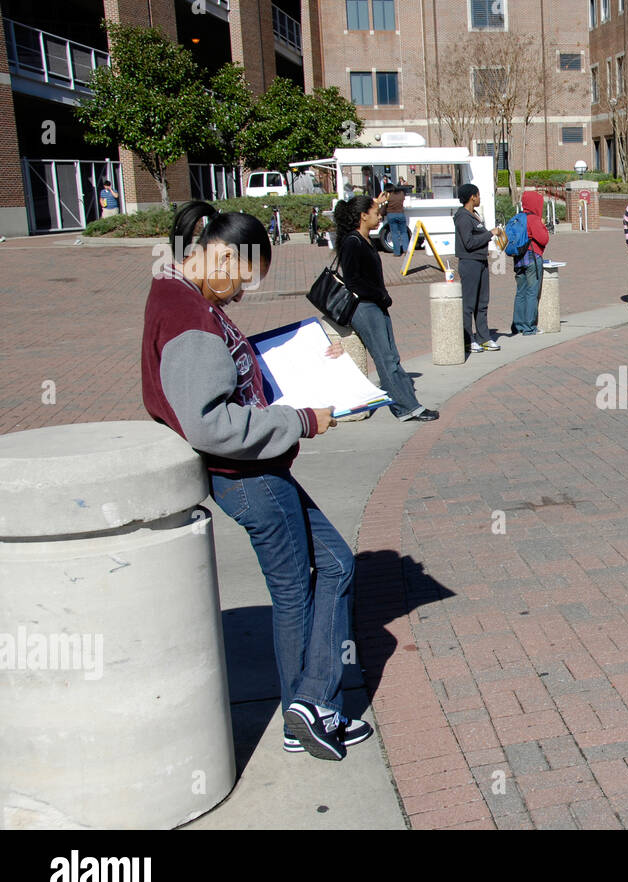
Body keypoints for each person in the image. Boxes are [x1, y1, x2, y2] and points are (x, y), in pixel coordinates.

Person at [142, 200, 372, 761]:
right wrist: (300, 419)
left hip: (254, 473)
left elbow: (229, 365)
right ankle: (308, 710)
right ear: (220, 254)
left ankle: (311, 705)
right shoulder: (190, 317)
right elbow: (210, 422)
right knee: (296, 589)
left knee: (337, 564)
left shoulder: (184, 294)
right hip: (247, 477)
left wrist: (305, 353)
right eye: (241, 280)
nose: (242, 294)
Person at [334, 194, 439, 422]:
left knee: (392, 357)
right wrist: (380, 295)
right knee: (385, 359)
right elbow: (353, 282)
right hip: (365, 308)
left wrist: (381, 298)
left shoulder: (362, 239)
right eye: (375, 212)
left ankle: (408, 403)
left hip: (375, 306)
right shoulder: (353, 242)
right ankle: (406, 408)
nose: (379, 215)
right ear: (363, 216)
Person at [454, 183, 504, 352]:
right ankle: (468, 339)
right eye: (478, 195)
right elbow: (468, 242)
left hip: (481, 261)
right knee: (469, 303)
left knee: (482, 302)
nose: (480, 198)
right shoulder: (462, 217)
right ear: (472, 197)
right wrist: (490, 233)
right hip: (469, 263)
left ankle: (484, 337)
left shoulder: (474, 215)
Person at [511, 191, 550, 335]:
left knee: (520, 292)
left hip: (518, 259)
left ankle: (518, 324)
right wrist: (543, 226)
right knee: (532, 292)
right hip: (532, 258)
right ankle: (529, 327)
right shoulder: (533, 219)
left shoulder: (517, 218)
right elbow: (543, 238)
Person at [385, 180, 410, 258]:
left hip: (391, 215)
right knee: (404, 232)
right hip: (400, 214)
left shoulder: (388, 195)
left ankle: (397, 252)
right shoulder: (402, 194)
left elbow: (381, 200)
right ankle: (406, 250)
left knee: (394, 233)